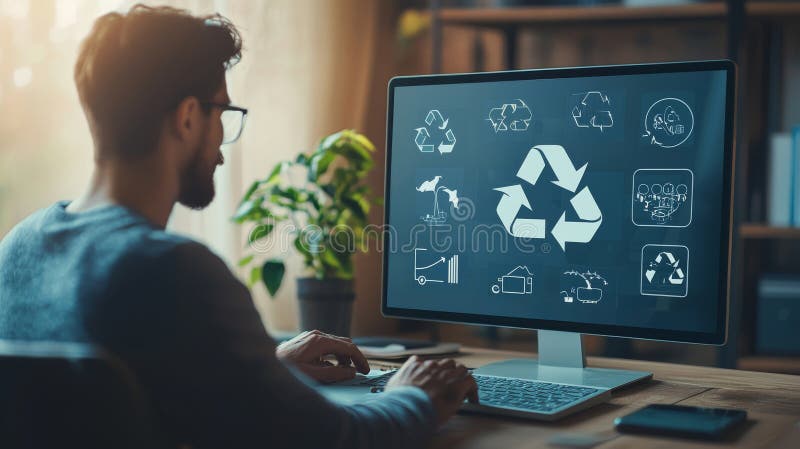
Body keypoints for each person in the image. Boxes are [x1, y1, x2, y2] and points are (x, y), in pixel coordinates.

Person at [0, 5, 478, 449]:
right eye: (223, 113)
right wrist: (412, 395)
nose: (223, 145)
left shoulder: (17, 247)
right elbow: (338, 439)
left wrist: (262, 369)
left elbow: (121, 396)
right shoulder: (171, 270)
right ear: (188, 117)